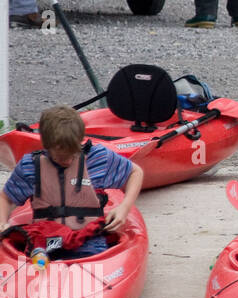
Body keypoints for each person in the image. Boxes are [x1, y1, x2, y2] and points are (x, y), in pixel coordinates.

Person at [0, 105, 144, 258]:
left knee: (91, 253)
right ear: (47, 146)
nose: (67, 160)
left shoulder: (99, 158)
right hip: (47, 240)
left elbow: (136, 172)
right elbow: (6, 198)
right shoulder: (31, 166)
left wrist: (124, 207)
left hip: (87, 238)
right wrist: (2, 222)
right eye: (60, 157)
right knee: (38, 256)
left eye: (72, 154)